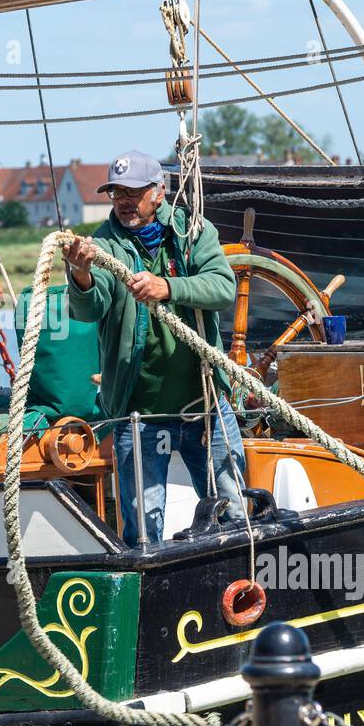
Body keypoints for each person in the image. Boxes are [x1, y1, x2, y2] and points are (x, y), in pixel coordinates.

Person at [62, 149, 247, 546]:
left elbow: (223, 287)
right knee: (144, 528)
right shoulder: (104, 245)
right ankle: (146, 597)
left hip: (206, 405)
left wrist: (169, 287)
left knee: (235, 510)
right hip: (140, 413)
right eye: (116, 193)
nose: (123, 201)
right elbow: (89, 308)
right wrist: (80, 274)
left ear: (158, 192)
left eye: (132, 191)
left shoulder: (191, 231)